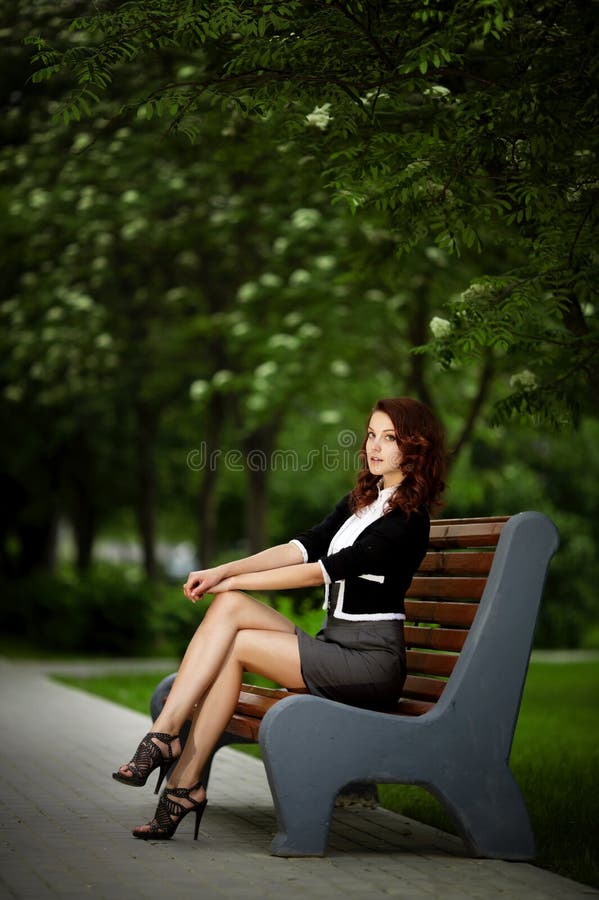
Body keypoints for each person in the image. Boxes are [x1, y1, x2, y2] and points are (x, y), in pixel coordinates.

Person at [113, 397, 446, 840]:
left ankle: (174, 762)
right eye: (371, 434)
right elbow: (301, 547)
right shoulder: (362, 502)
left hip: (370, 663)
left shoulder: (408, 520)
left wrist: (237, 583)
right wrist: (225, 572)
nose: (375, 447)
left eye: (390, 438)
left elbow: (320, 571)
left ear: (415, 447)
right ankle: (174, 758)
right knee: (228, 609)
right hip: (336, 647)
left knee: (237, 638)